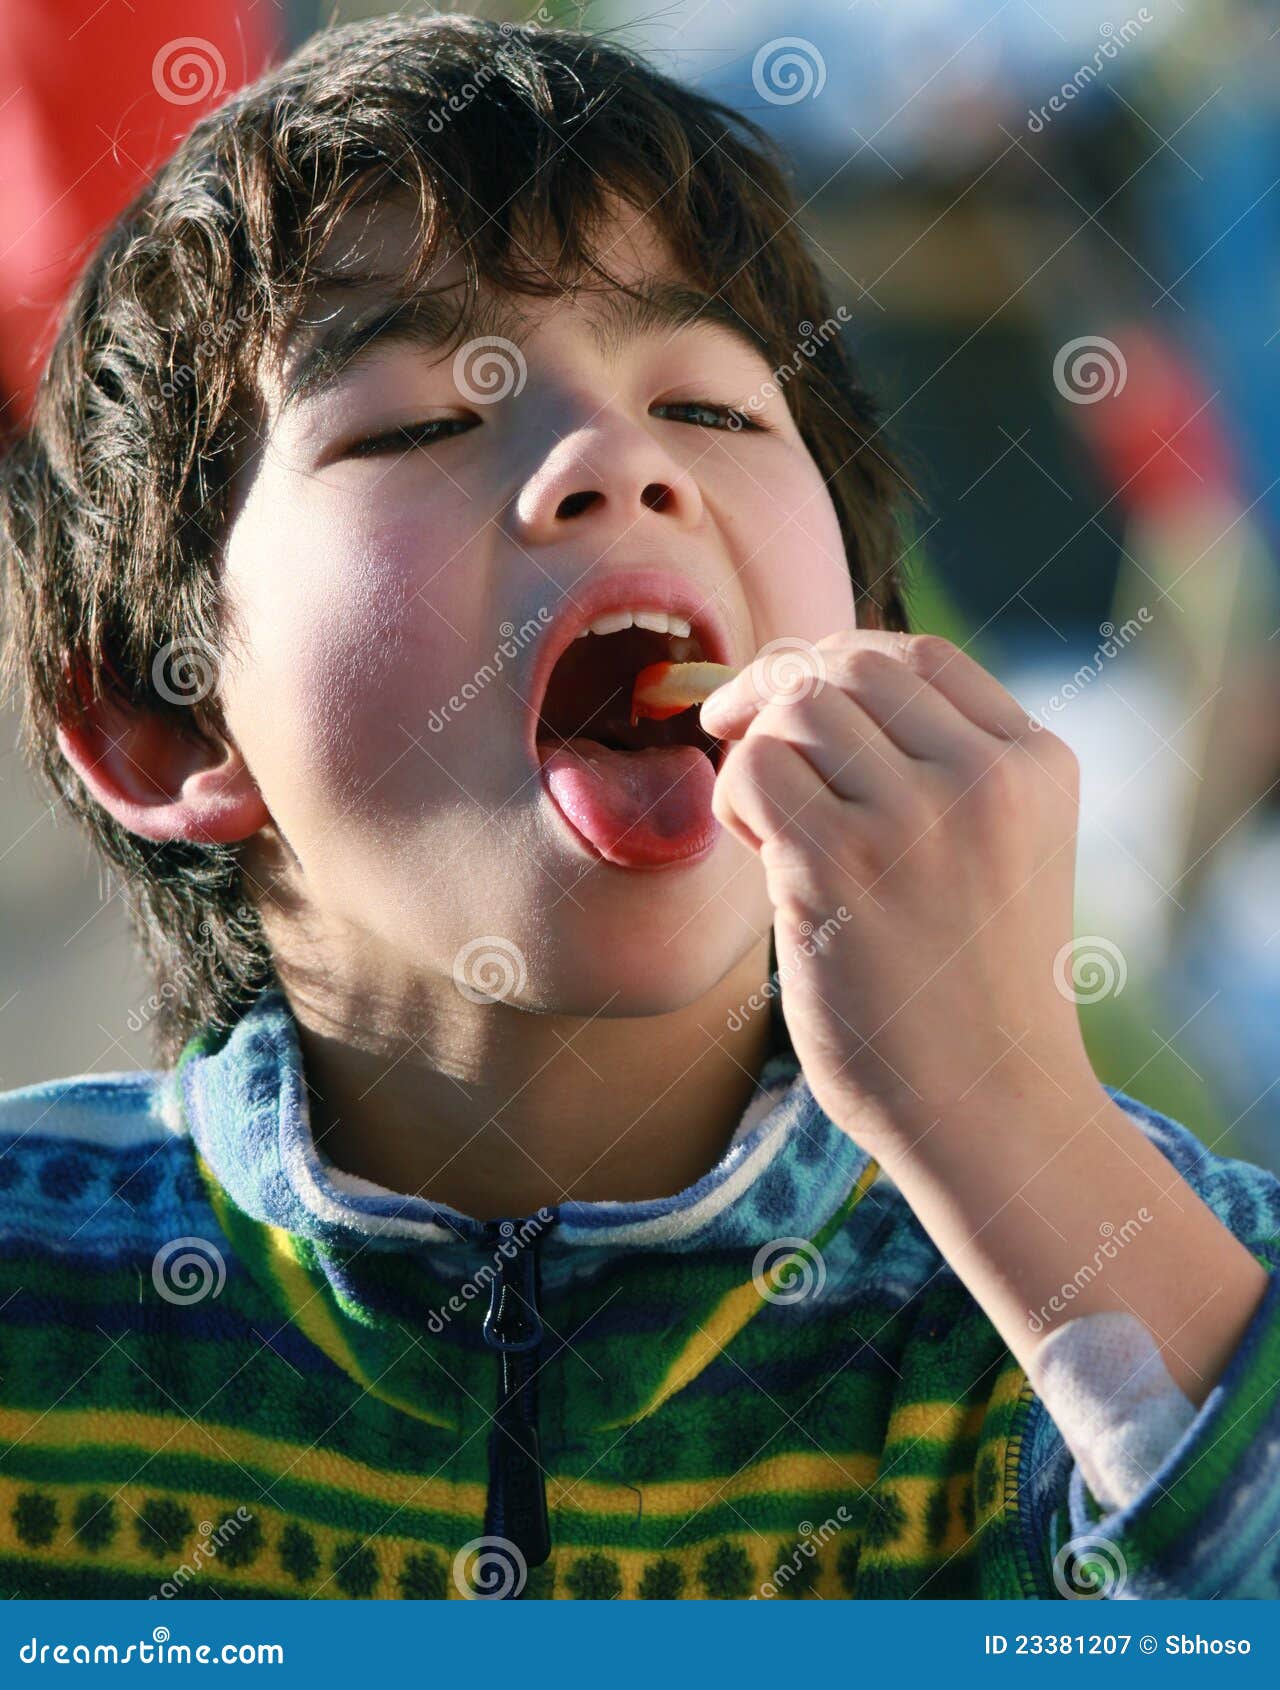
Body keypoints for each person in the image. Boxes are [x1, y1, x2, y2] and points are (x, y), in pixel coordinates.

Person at [0, 14, 1276, 1602]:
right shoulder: (36, 1290)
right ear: (159, 716)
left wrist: (1017, 1124)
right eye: (420, 421)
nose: (614, 461)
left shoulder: (1136, 1269)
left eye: (719, 413)